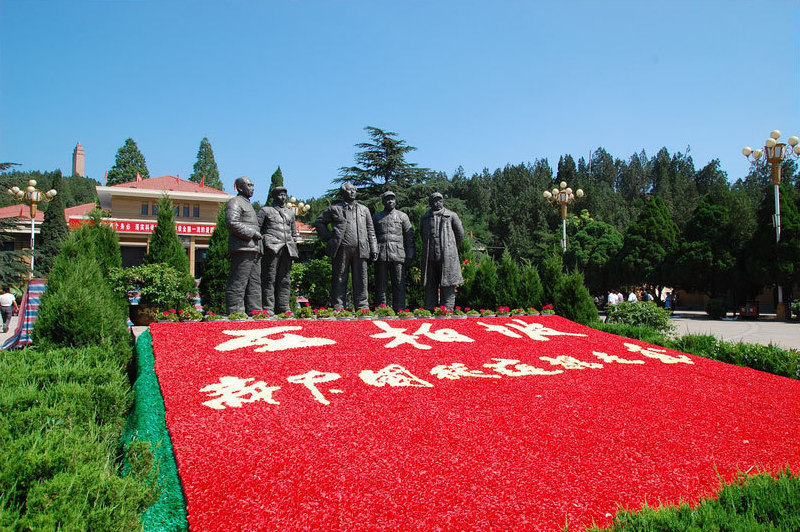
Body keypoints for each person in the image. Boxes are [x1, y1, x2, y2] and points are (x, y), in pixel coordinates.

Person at [314, 183, 377, 310]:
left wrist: (374, 248)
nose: (352, 192)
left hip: (361, 248)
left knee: (361, 278)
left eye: (354, 190)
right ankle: (338, 306)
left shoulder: (364, 210)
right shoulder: (335, 209)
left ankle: (362, 307)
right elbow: (319, 222)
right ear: (343, 193)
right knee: (339, 277)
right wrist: (329, 237)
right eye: (349, 190)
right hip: (341, 248)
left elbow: (370, 230)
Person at [257, 186, 299, 316]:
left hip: (288, 248)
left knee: (285, 279)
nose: (283, 197)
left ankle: (284, 307)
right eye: (280, 195)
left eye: (284, 195)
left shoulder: (290, 213)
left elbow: (294, 232)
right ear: (274, 196)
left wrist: (294, 240)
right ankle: (268, 307)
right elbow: (257, 228)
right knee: (269, 278)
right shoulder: (265, 210)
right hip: (272, 248)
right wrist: (265, 241)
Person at [420, 192, 464, 311]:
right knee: (430, 284)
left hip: (447, 256)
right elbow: (422, 234)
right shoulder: (425, 218)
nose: (437, 203)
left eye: (440, 200)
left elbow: (460, 235)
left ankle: (447, 310)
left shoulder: (451, 215)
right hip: (430, 257)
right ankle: (430, 309)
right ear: (430, 203)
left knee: (448, 283)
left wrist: (451, 247)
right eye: (435, 201)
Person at [226, 176, 262, 315]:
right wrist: (252, 233)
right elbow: (232, 222)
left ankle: (256, 311)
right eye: (249, 185)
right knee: (239, 281)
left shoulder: (248, 203)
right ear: (240, 188)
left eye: (253, 185)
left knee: (254, 282)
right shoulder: (235, 202)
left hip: (253, 248)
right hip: (242, 248)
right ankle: (235, 312)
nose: (252, 188)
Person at [372, 191, 415, 311]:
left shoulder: (403, 216)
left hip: (398, 254)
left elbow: (409, 236)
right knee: (381, 284)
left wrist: (410, 254)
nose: (390, 201)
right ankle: (382, 309)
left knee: (399, 283)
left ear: (395, 201)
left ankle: (400, 309)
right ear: (383, 202)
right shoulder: (376, 217)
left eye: (392, 199)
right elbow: (371, 235)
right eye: (387, 199)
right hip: (381, 254)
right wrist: (373, 251)